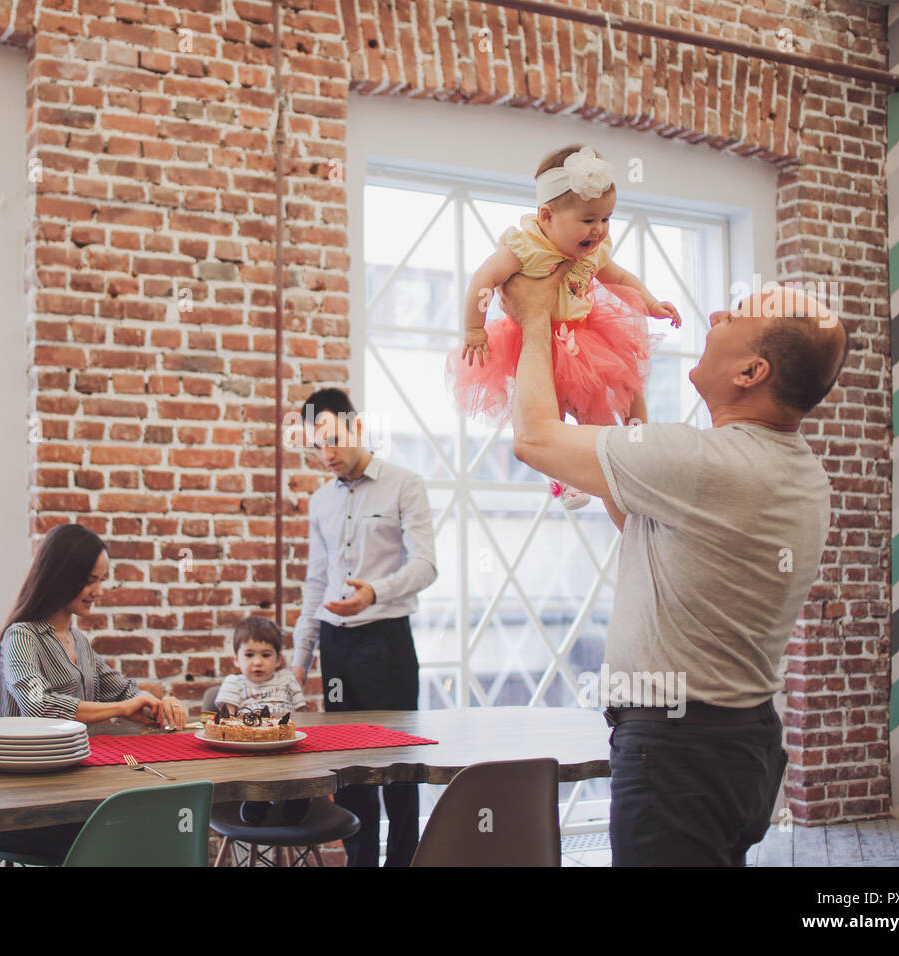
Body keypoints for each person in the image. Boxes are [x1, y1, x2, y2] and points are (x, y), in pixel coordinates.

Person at [504, 263, 848, 866]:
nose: (717, 316)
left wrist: (534, 316)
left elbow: (533, 438)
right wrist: (617, 388)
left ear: (751, 372)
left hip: (679, 753)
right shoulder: (799, 471)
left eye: (736, 315)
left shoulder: (706, 463)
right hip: (740, 744)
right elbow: (644, 523)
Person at [446, 143, 681, 508]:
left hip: (584, 337)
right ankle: (562, 477)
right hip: (533, 343)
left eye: (606, 219)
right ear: (546, 216)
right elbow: (484, 279)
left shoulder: (594, 251)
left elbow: (618, 276)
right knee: (544, 414)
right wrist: (474, 328)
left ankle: (619, 454)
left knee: (600, 407)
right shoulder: (525, 247)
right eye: (588, 221)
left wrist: (650, 302)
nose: (599, 231)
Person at [0, 522, 187, 859]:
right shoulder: (21, 636)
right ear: (60, 576)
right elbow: (37, 707)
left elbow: (124, 693)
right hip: (17, 809)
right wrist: (120, 709)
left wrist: (160, 705)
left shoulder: (79, 642)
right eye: (90, 580)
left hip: (69, 796)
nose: (99, 591)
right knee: (132, 830)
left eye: (101, 580)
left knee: (146, 824)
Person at [290, 387, 438, 867]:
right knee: (351, 775)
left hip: (387, 643)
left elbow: (427, 566)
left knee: (398, 774)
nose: (325, 454)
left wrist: (375, 591)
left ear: (357, 426)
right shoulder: (319, 502)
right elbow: (316, 581)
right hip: (337, 647)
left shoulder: (404, 484)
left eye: (332, 440)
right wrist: (300, 661)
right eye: (314, 446)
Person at [214, 616, 309, 826]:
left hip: (285, 744)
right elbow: (227, 719)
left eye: (266, 655)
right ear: (236, 659)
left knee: (301, 762)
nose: (257, 662)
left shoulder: (287, 679)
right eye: (249, 655)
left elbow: (302, 715)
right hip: (252, 746)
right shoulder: (235, 683)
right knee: (256, 768)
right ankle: (258, 799)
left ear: (278, 660)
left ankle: (299, 796)